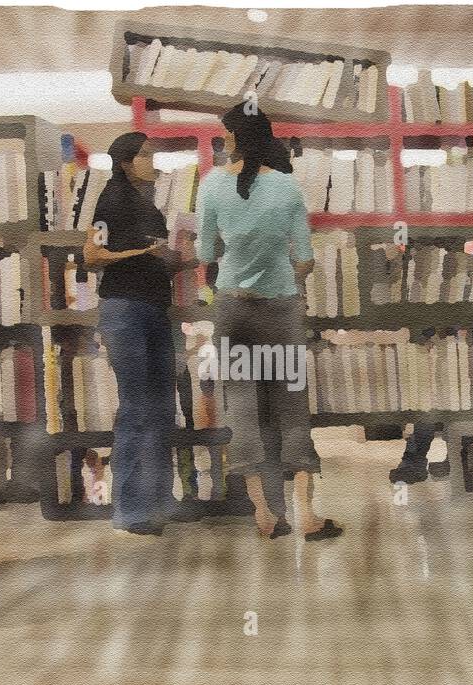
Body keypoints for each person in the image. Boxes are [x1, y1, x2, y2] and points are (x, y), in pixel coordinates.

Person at [195, 104, 341, 541]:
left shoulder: (211, 186)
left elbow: (205, 254)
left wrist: (231, 269)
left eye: (225, 135)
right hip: (279, 312)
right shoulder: (286, 188)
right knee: (293, 412)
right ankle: (307, 517)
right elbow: (306, 259)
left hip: (234, 312)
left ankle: (264, 516)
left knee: (243, 412)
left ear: (236, 138)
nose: (222, 142)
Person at [83, 132, 186, 535]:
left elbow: (149, 259)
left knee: (161, 407)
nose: (152, 159)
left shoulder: (147, 203)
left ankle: (158, 502)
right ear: (126, 161)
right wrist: (143, 253)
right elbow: (92, 255)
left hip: (152, 308)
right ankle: (130, 509)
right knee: (137, 408)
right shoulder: (112, 198)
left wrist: (179, 259)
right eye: (145, 154)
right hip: (125, 310)